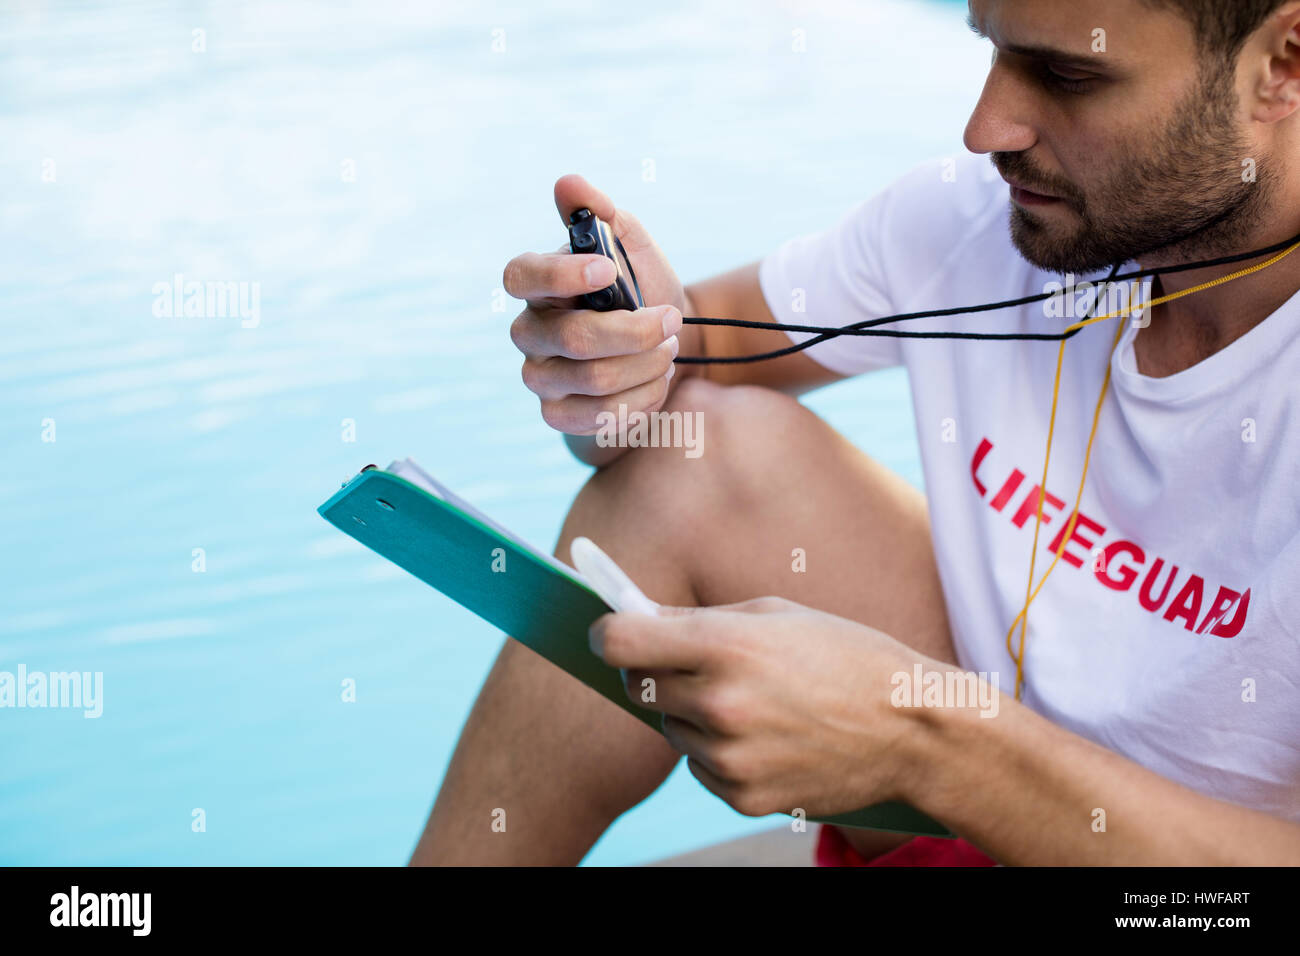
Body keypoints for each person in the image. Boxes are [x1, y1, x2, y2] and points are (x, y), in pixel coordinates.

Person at [411, 0, 1300, 865]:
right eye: (990, 48)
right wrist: (616, 362)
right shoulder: (994, 221)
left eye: (1069, 74)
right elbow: (686, 362)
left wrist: (927, 740)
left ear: (1284, 63)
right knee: (692, 461)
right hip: (993, 786)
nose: (987, 128)